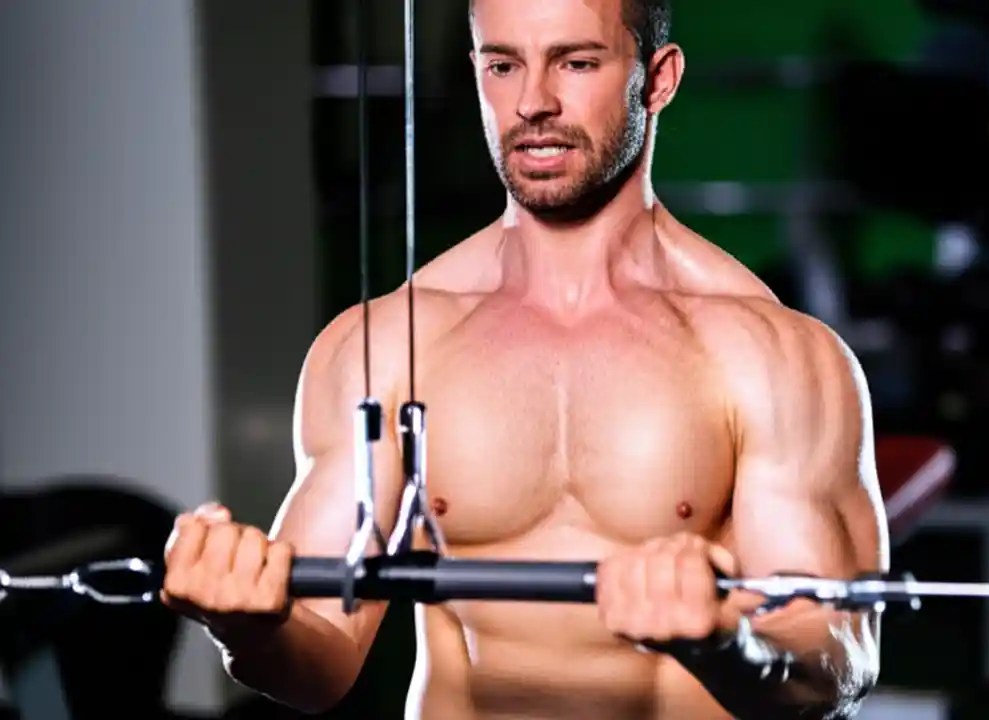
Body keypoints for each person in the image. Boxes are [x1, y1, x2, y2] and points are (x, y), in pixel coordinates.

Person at [161, 0, 889, 717]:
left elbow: (838, 658)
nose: (532, 102)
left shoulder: (767, 354)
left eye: (575, 62)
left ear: (658, 79)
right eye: (502, 65)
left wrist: (727, 644)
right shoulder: (387, 343)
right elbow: (320, 661)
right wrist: (248, 627)